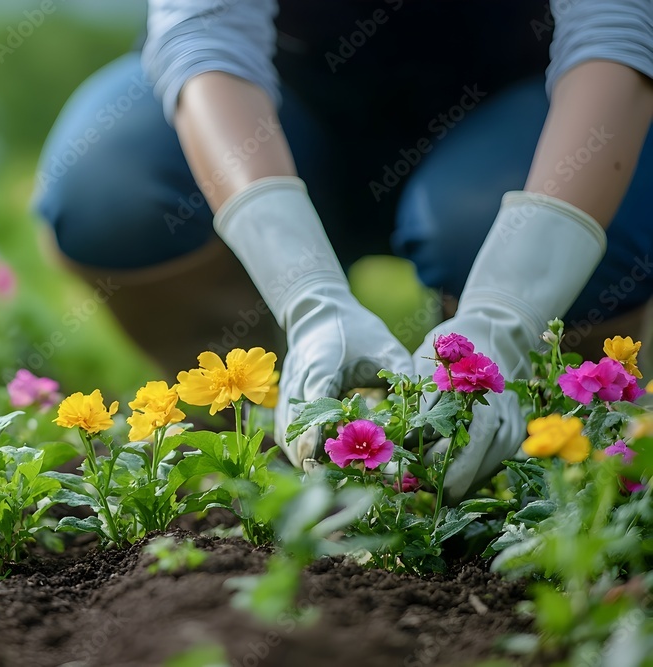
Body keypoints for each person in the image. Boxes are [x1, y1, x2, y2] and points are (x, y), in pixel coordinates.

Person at [34, 0, 653, 500]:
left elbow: (617, 30)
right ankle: (263, 428)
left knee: (473, 219)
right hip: (287, 99)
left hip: (530, 100)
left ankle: (540, 447)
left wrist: (508, 314)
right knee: (112, 189)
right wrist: (307, 296)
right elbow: (205, 35)